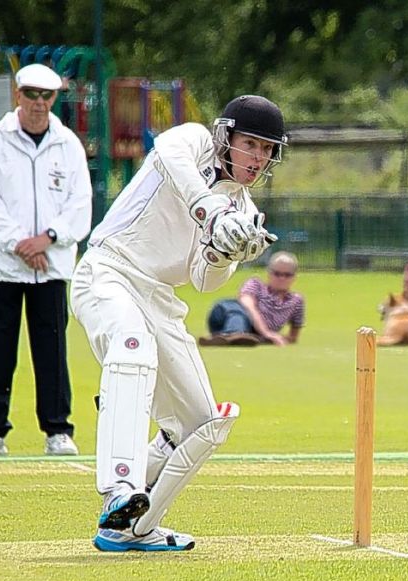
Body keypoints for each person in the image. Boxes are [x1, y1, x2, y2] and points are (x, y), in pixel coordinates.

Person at [70, 94, 286, 551]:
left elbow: (204, 280)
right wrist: (211, 212)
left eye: (267, 149)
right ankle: (120, 487)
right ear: (226, 137)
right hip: (109, 270)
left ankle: (131, 527)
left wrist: (221, 252)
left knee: (201, 422)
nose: (257, 158)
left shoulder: (246, 212)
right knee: (132, 345)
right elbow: (168, 155)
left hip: (161, 300)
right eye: (251, 144)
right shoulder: (194, 141)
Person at [0, 64, 92, 457]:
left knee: (52, 351)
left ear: (54, 98)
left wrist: (46, 240)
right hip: (2, 267)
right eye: (32, 95)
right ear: (18, 95)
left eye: (46, 96)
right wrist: (20, 244)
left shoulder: (68, 144)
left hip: (51, 267)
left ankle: (58, 430)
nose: (39, 103)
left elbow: (80, 206)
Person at [200, 251, 306, 347]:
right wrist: (266, 333)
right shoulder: (256, 284)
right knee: (238, 310)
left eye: (287, 275)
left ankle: (226, 338)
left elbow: (293, 336)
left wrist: (276, 338)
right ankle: (233, 334)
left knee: (245, 327)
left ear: (294, 277)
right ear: (269, 273)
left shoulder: (296, 301)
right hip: (226, 314)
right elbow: (248, 305)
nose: (281, 278)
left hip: (252, 333)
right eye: (277, 274)